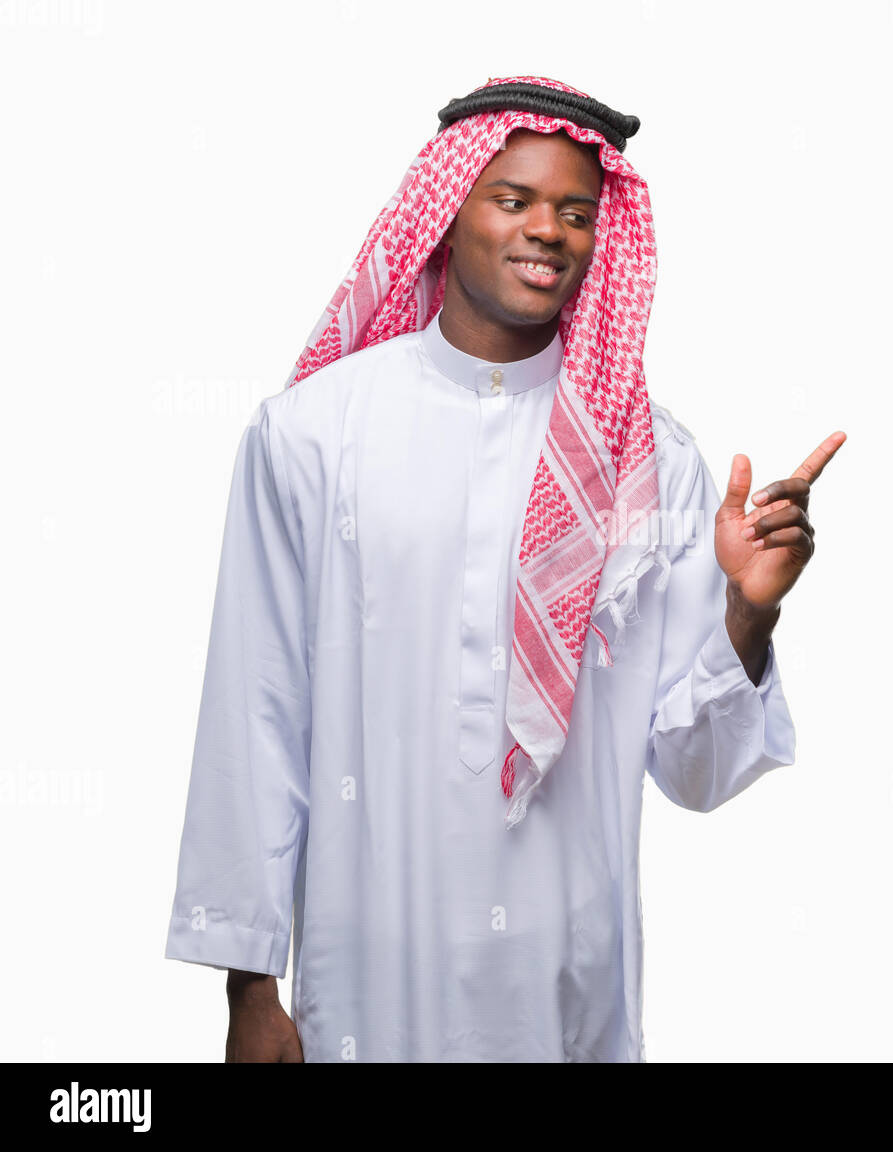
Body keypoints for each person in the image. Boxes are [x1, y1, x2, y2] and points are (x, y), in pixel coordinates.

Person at [164, 75, 846, 1062]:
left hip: (563, 983)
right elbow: (256, 706)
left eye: (576, 212)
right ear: (447, 215)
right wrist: (249, 985)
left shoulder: (649, 460)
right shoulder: (313, 433)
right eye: (514, 199)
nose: (550, 232)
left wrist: (748, 612)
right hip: (363, 975)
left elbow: (693, 766)